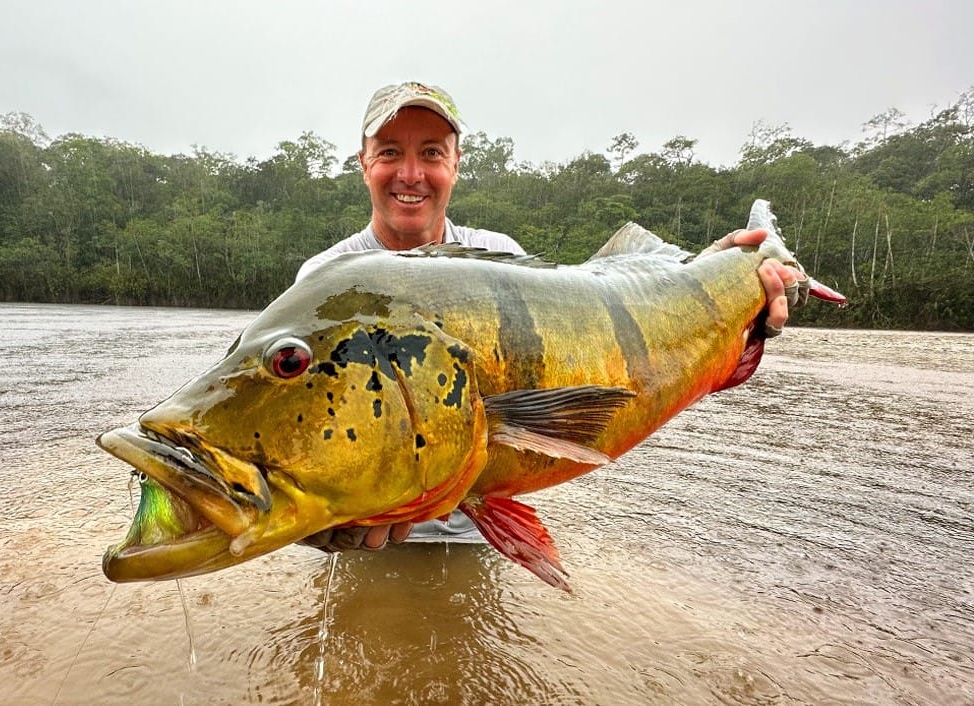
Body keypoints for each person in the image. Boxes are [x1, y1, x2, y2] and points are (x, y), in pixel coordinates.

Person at [297, 81, 806, 553]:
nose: (411, 174)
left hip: (473, 541)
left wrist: (746, 306)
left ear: (455, 165)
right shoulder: (323, 281)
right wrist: (308, 525)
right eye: (390, 152)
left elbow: (610, 361)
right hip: (362, 554)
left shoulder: (502, 258)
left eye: (431, 152)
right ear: (363, 162)